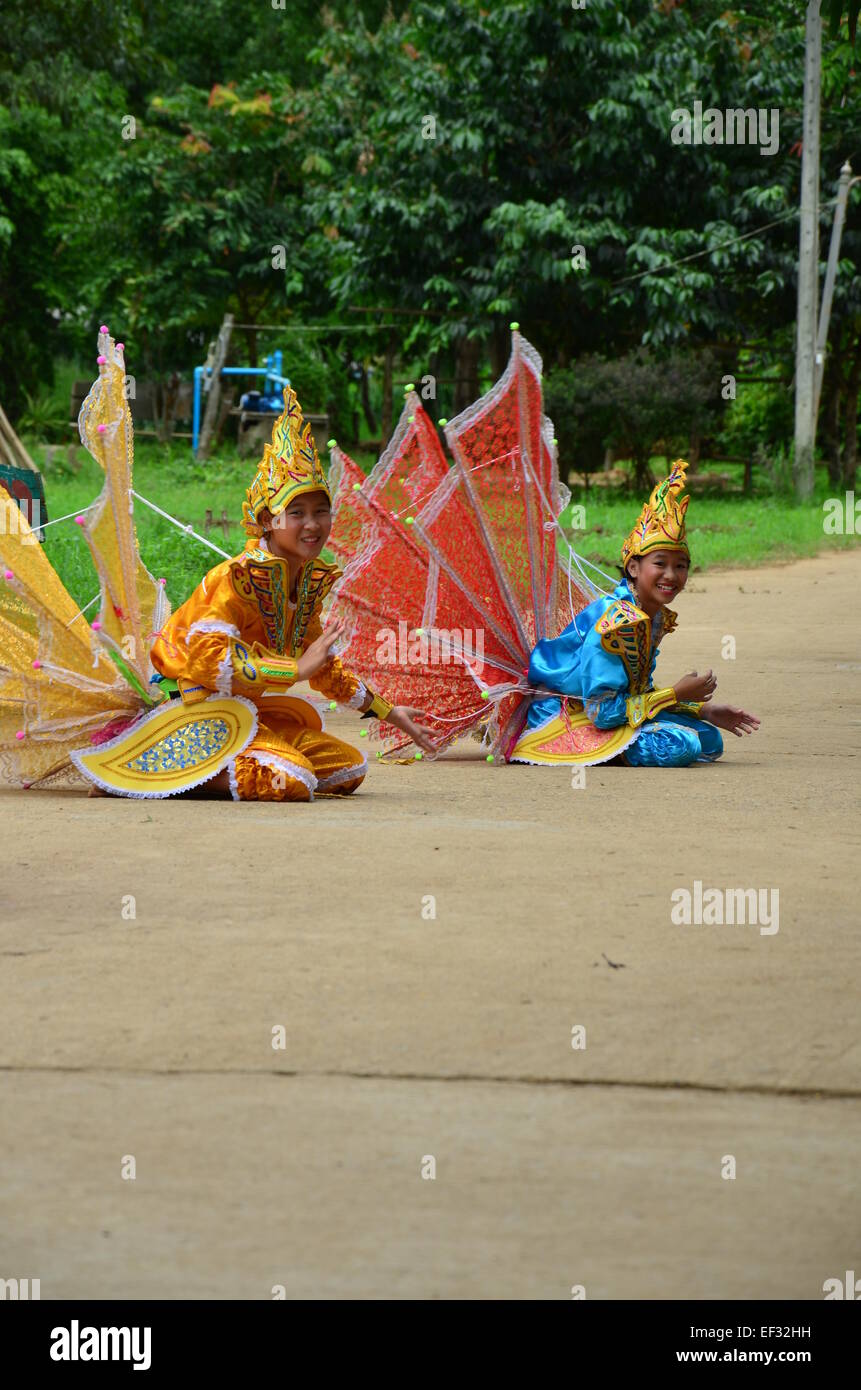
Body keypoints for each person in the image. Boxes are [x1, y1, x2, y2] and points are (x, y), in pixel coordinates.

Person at [146, 385, 436, 800]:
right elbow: (209, 660)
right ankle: (171, 768)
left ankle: (234, 762)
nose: (312, 524)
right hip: (197, 711)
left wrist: (389, 714)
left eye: (321, 511)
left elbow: (322, 668)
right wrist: (291, 671)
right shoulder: (237, 579)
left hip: (248, 711)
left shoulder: (303, 583)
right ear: (267, 520)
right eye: (296, 513)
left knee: (348, 769)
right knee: (294, 780)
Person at [509, 460, 760, 767]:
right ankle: (607, 752)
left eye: (680, 566)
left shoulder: (652, 616)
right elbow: (602, 713)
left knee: (710, 740)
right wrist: (674, 694)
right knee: (684, 745)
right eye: (660, 563)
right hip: (568, 714)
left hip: (610, 711)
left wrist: (702, 710)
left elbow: (636, 691)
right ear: (633, 567)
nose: (671, 575)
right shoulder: (615, 622)